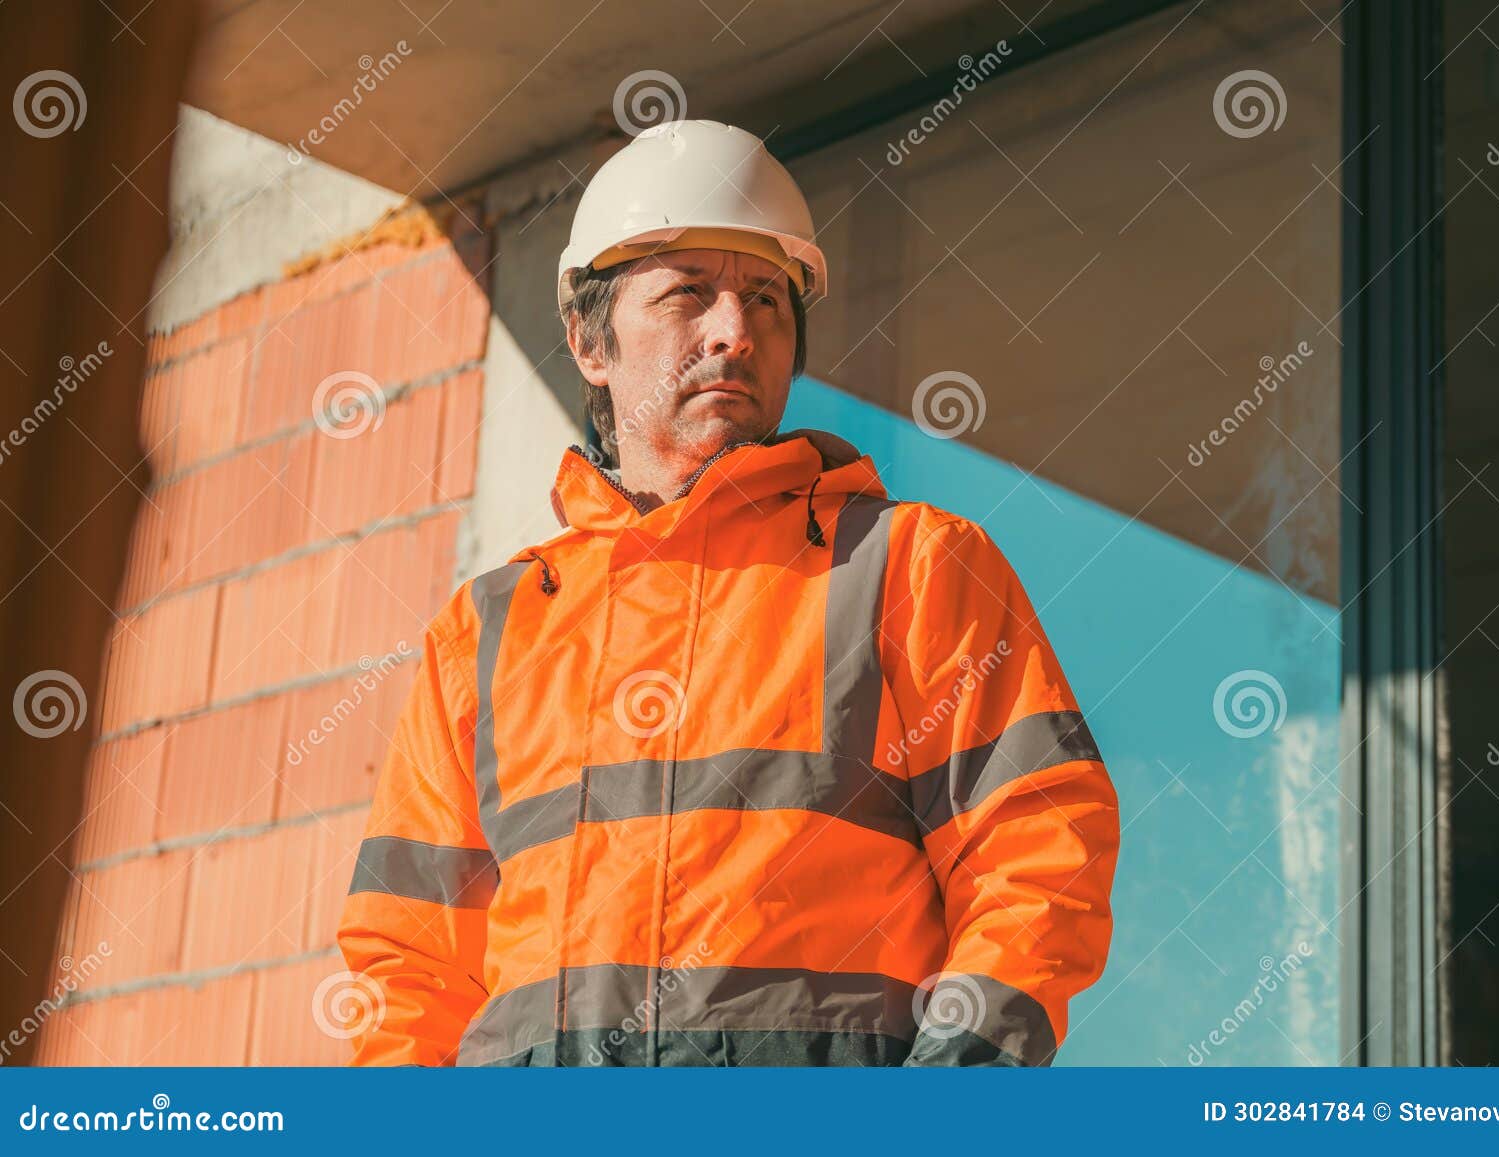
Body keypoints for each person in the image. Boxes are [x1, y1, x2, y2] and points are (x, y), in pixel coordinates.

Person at [336, 119, 1120, 1067]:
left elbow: (1037, 855)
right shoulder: (487, 633)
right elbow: (407, 972)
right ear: (590, 341)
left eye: (765, 300)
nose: (735, 331)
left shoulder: (908, 568)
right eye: (688, 295)